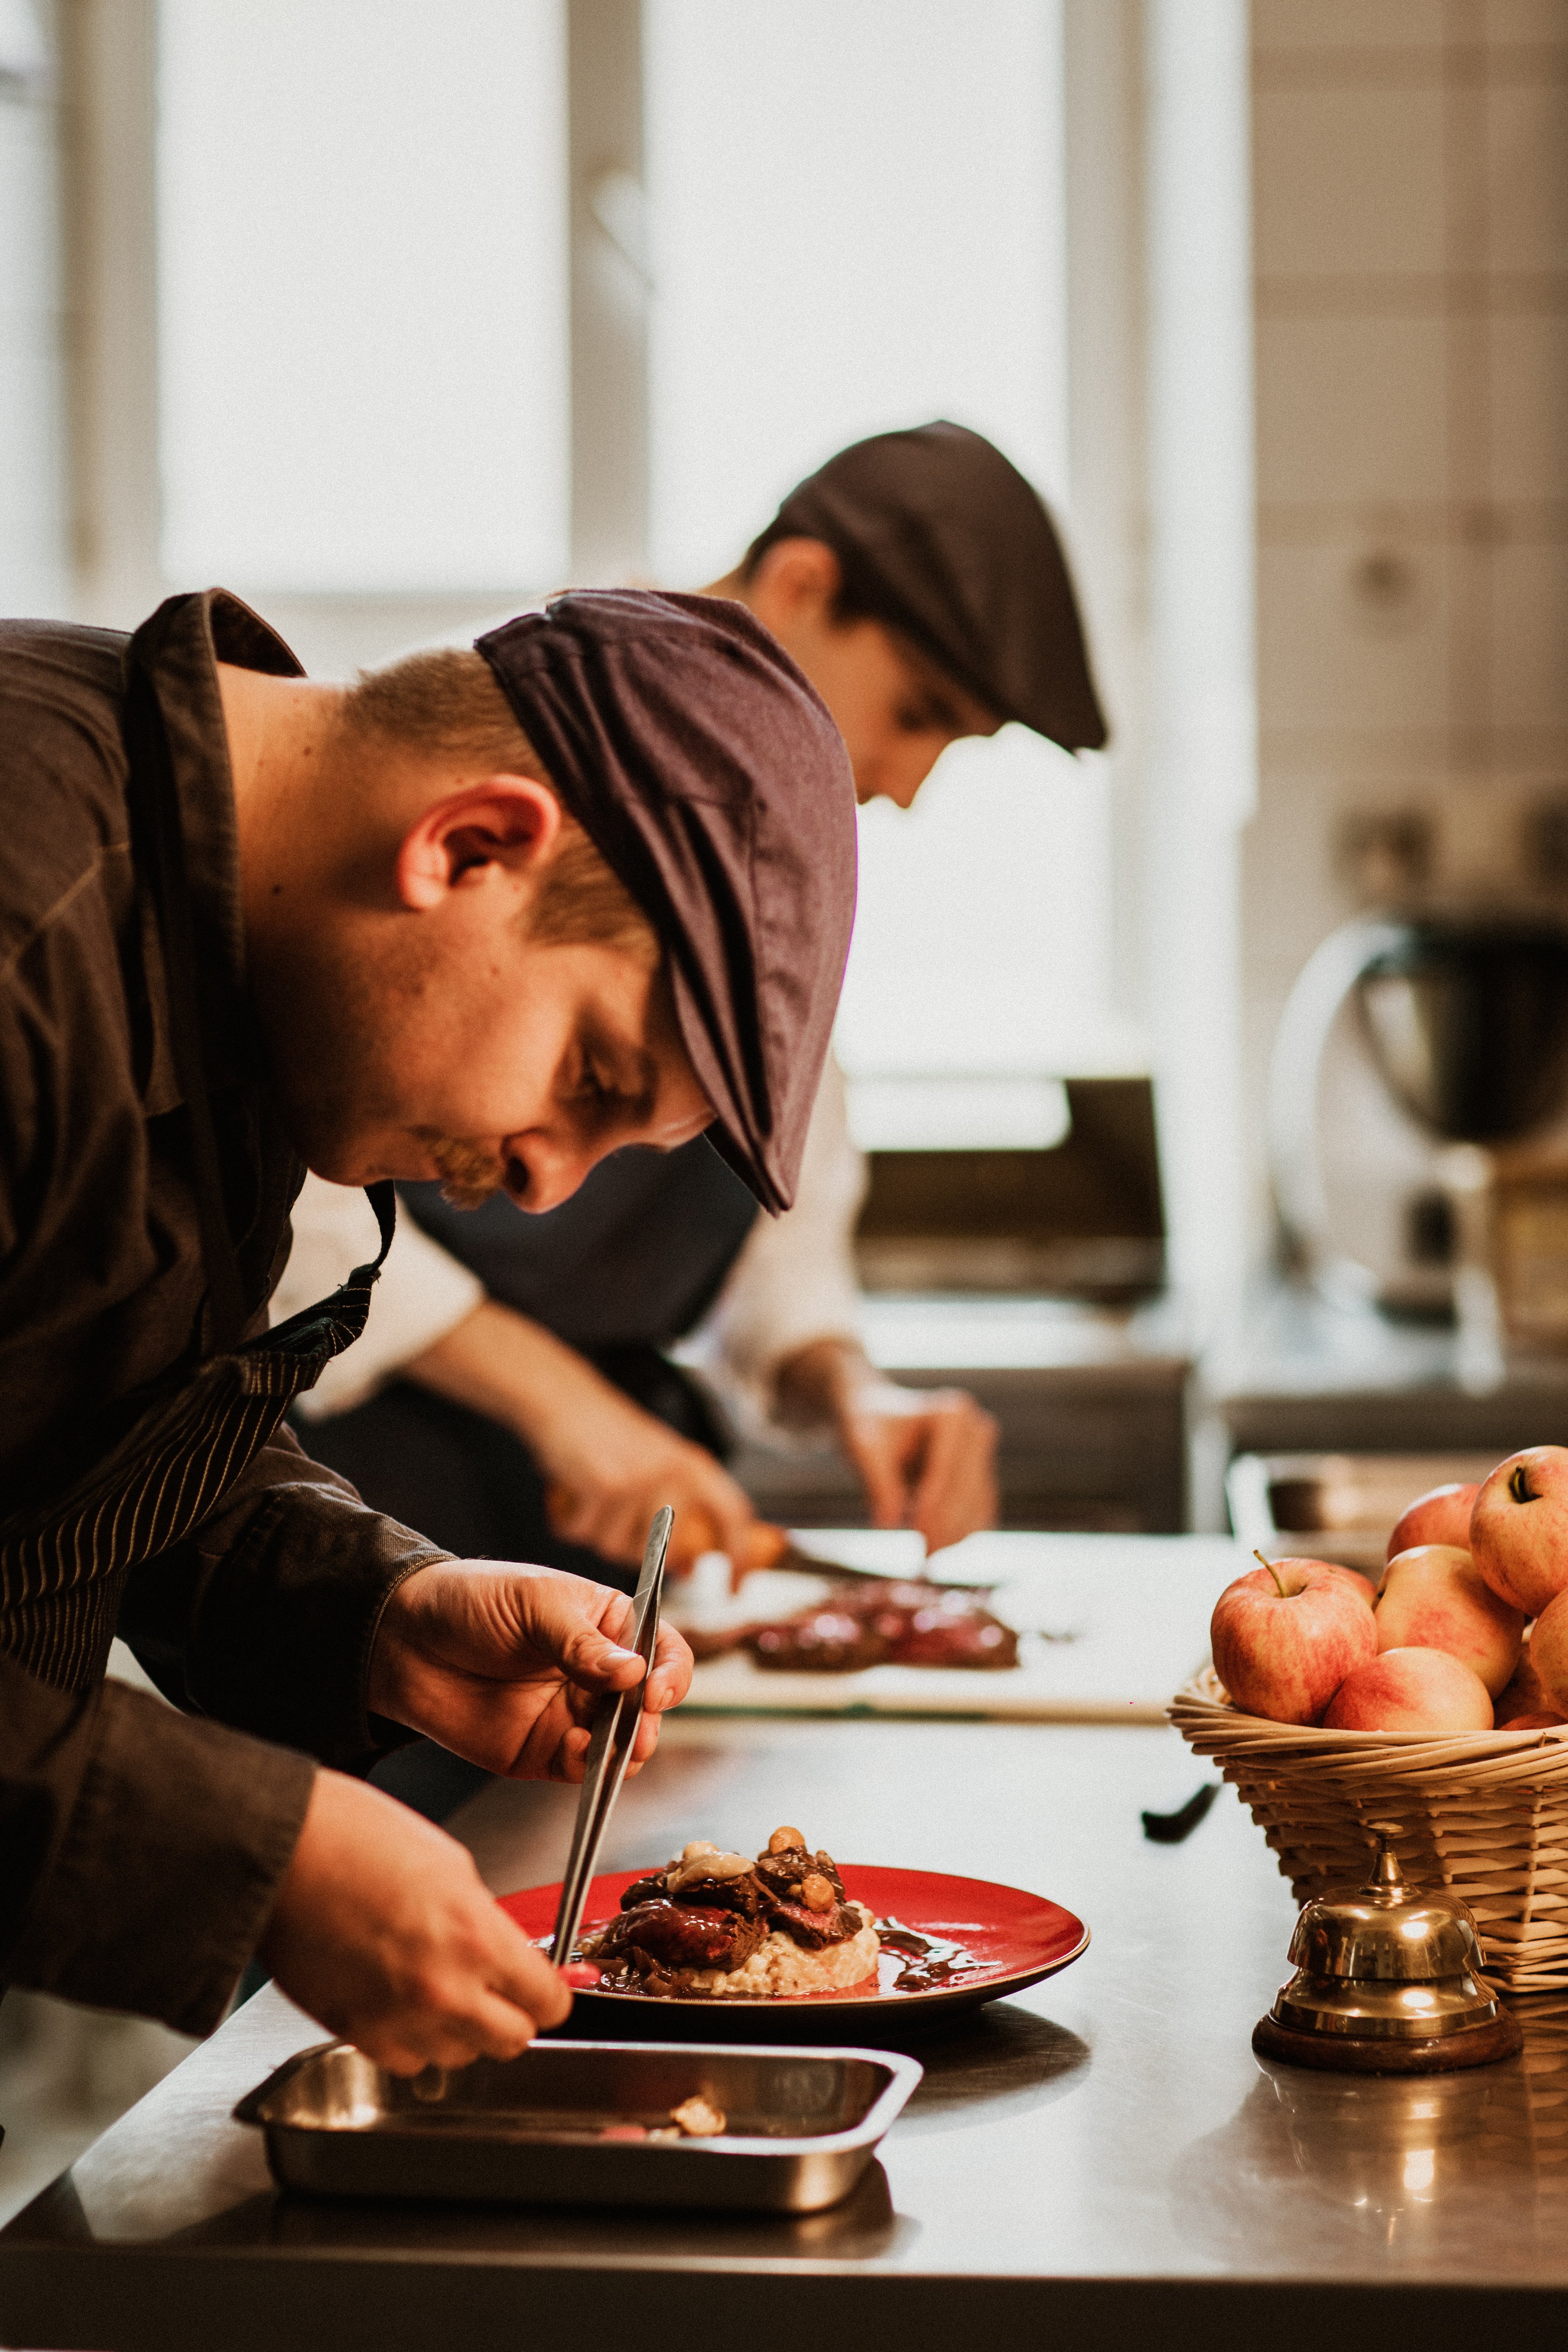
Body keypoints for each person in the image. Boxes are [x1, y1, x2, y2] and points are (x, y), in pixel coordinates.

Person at [0, 585, 855, 2070]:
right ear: (469, 845)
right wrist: (256, 1855)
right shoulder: (23, 938)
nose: (542, 1184)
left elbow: (64, 1449)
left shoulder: (243, 966)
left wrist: (375, 1616)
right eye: (590, 1075)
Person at [281, 422, 1109, 1597]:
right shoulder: (500, 736)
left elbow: (779, 1239)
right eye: (917, 712)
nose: (912, 788)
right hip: (342, 1517)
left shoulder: (776, 859)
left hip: (585, 1545)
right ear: (801, 584)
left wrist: (849, 1388)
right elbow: (287, 1208)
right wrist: (556, 1403)